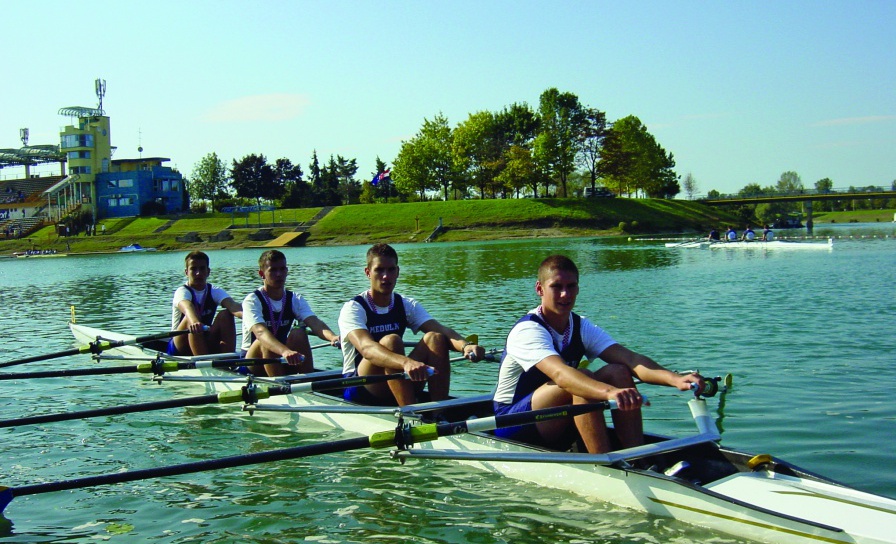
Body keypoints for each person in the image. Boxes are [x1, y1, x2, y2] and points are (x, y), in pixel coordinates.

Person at [493, 255, 704, 454]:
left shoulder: (580, 326)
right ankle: (605, 464)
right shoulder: (528, 330)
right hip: (513, 424)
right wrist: (608, 393)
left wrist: (675, 379)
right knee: (581, 377)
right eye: (556, 287)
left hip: (556, 416)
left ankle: (637, 457)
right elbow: (561, 376)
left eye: (571, 286)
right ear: (540, 289)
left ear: (578, 288)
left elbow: (630, 359)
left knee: (618, 372)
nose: (565, 294)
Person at [338, 243, 485, 406]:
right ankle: (410, 413)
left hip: (396, 378)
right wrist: (405, 362)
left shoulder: (406, 304)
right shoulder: (354, 308)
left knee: (435, 338)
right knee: (391, 341)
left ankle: (438, 414)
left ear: (397, 272)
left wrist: (466, 345)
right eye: (379, 270)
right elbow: (366, 349)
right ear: (368, 273)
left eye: (391, 269)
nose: (386, 276)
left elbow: (440, 329)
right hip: (361, 386)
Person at [241, 250, 339, 377]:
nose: (279, 274)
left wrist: (333, 337)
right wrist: (285, 351)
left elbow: (314, 323)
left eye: (282, 269)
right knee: (264, 341)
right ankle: (280, 386)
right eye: (273, 270)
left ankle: (307, 383)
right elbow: (260, 332)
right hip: (252, 363)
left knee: (299, 332)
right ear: (262, 274)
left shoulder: (295, 298)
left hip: (282, 355)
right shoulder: (252, 300)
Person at [169, 251, 243, 356]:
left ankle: (229, 360)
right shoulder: (182, 292)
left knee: (226, 314)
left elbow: (233, 306)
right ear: (186, 272)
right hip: (179, 345)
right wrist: (194, 321)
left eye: (202, 269)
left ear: (208, 271)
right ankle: (204, 362)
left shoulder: (214, 291)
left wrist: (249, 317)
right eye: (193, 269)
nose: (198, 273)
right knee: (189, 319)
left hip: (204, 338)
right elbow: (187, 307)